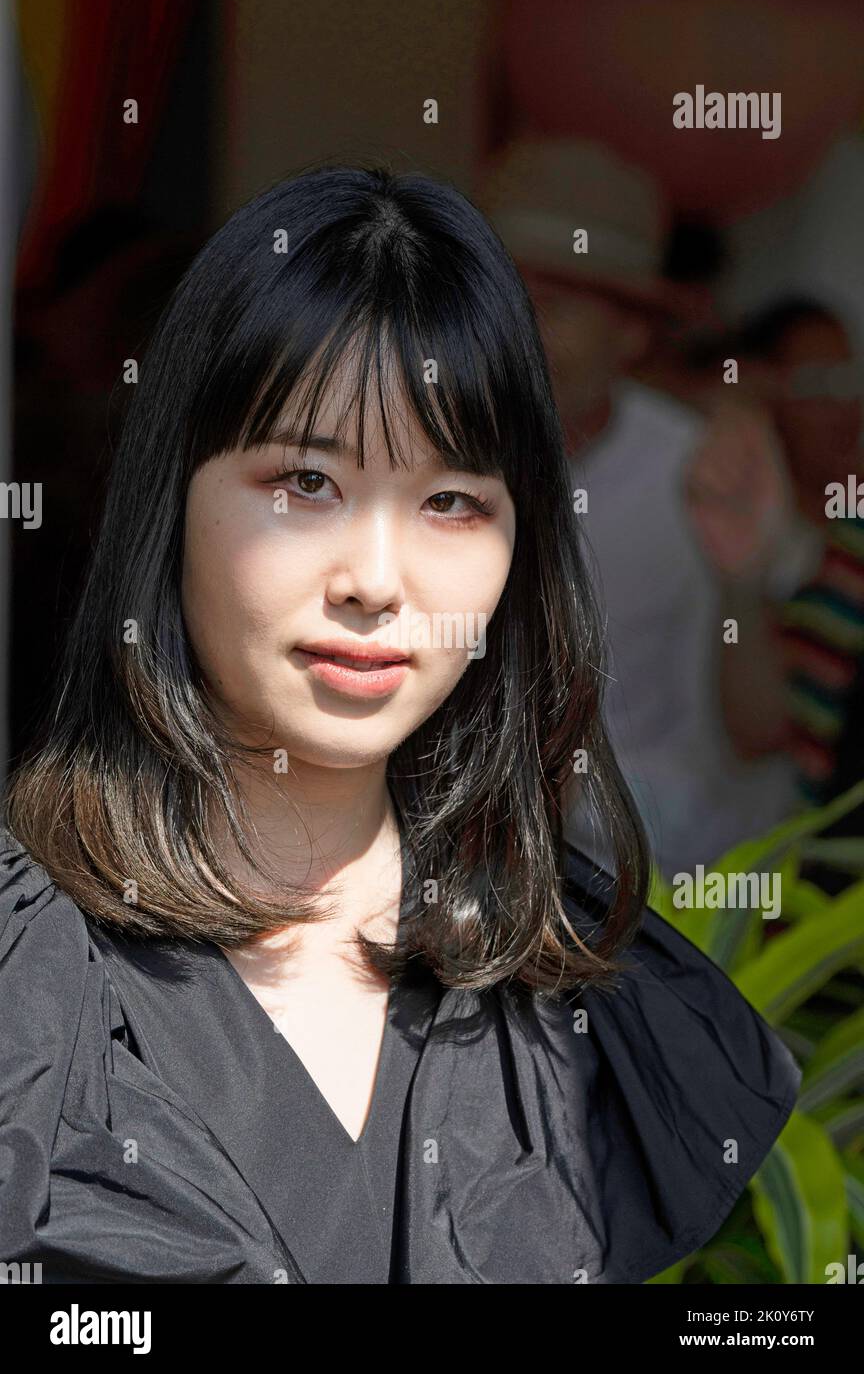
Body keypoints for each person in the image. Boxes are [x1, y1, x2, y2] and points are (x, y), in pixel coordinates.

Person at [0, 163, 800, 1285]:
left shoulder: (584, 1001)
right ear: (171, 493)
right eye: (307, 482)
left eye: (450, 501)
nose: (377, 580)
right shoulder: (32, 968)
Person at [477, 139, 819, 880]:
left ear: (631, 333)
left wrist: (741, 583)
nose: (515, 338)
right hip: (481, 883)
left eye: (554, 306)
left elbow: (763, 731)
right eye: (496, 304)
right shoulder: (428, 462)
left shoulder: (711, 471)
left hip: (672, 892)